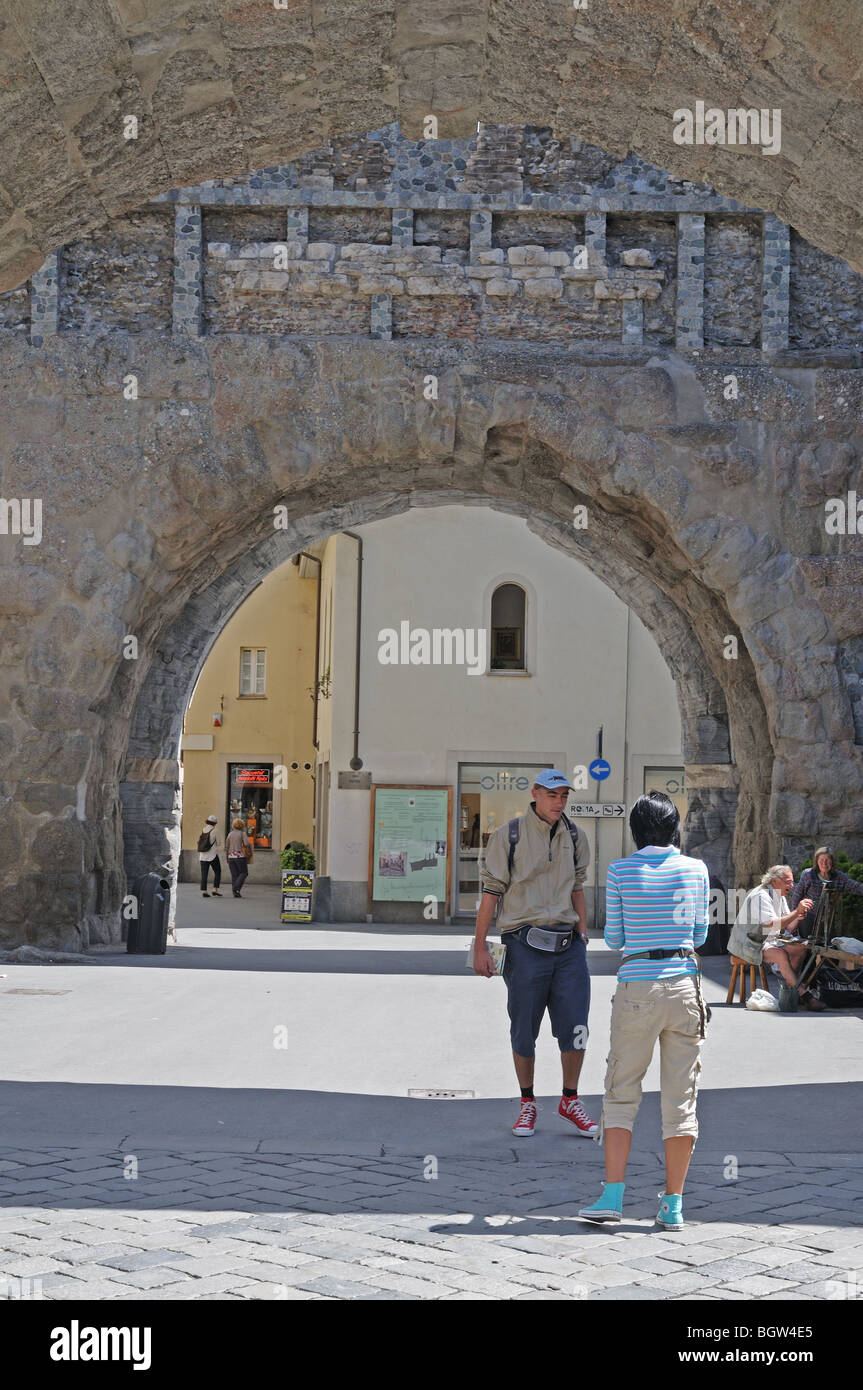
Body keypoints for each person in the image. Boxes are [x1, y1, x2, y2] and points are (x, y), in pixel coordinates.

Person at [579, 792, 710, 1231]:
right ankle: (672, 1205)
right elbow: (700, 933)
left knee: (621, 1091)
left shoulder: (620, 870)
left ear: (635, 831)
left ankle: (612, 1196)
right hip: (684, 985)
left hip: (637, 984)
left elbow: (614, 939)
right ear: (674, 827)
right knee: (681, 1098)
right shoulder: (695, 870)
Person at [474, 769, 596, 1138]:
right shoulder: (508, 835)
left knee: (576, 1028)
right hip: (523, 945)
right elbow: (491, 893)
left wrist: (584, 933)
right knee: (524, 1030)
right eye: (553, 795)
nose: (559, 802)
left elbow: (577, 888)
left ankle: (569, 1099)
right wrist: (479, 946)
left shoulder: (575, 836)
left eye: (564, 796)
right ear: (536, 794)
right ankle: (527, 1103)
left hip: (568, 947)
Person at [727, 865, 823, 1010]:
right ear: (774, 881)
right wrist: (796, 911)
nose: (791, 885)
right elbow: (771, 925)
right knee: (781, 954)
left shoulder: (779, 895)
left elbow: (789, 927)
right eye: (788, 881)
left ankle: (791, 988)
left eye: (792, 881)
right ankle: (805, 995)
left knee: (799, 950)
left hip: (767, 940)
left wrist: (799, 914)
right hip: (749, 942)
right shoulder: (760, 896)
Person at [791, 846, 863, 935]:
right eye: (821, 860)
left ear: (832, 862)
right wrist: (793, 918)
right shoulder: (808, 874)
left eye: (828, 860)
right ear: (817, 861)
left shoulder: (839, 877)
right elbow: (797, 896)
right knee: (806, 944)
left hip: (828, 919)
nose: (824, 863)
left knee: (828, 945)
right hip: (808, 917)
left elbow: (856, 887)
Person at [225, 817, 252, 898]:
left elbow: (227, 847)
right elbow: (247, 844)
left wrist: (227, 857)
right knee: (244, 873)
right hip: (239, 856)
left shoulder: (230, 834)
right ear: (242, 825)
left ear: (234, 825)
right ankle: (236, 888)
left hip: (230, 856)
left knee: (234, 875)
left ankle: (236, 892)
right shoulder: (242, 833)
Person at [199, 815, 223, 897]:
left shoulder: (203, 829)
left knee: (204, 874)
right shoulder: (216, 830)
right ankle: (214, 889)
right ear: (215, 823)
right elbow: (219, 843)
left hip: (202, 855)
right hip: (212, 855)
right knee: (217, 871)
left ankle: (204, 891)